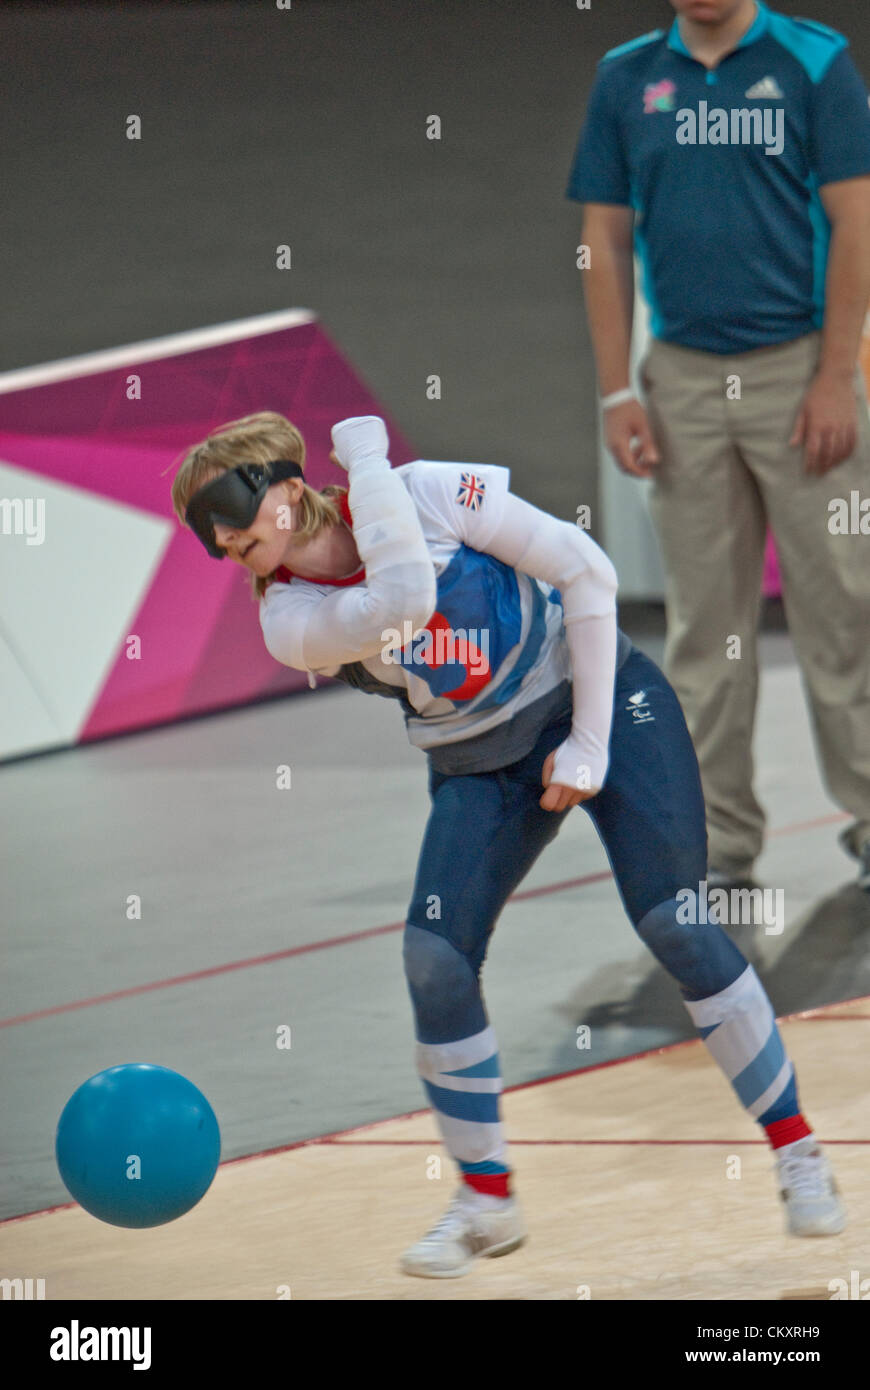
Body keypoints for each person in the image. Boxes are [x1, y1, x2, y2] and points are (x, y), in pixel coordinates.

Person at [171, 411, 845, 1277]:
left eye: (234, 522)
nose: (230, 547)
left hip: (599, 700)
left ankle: (797, 1151)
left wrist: (594, 740)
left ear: (290, 493)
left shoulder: (432, 493)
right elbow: (406, 597)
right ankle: (486, 1201)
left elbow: (586, 571)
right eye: (216, 541)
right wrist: (368, 454)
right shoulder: (290, 617)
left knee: (678, 921)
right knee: (435, 960)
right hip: (479, 762)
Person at [567, 0, 870, 893]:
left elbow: (858, 220)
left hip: (799, 377)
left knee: (844, 611)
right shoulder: (627, 79)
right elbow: (603, 237)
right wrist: (618, 387)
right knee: (706, 633)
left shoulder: (816, 65)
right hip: (683, 386)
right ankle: (720, 843)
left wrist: (834, 377)